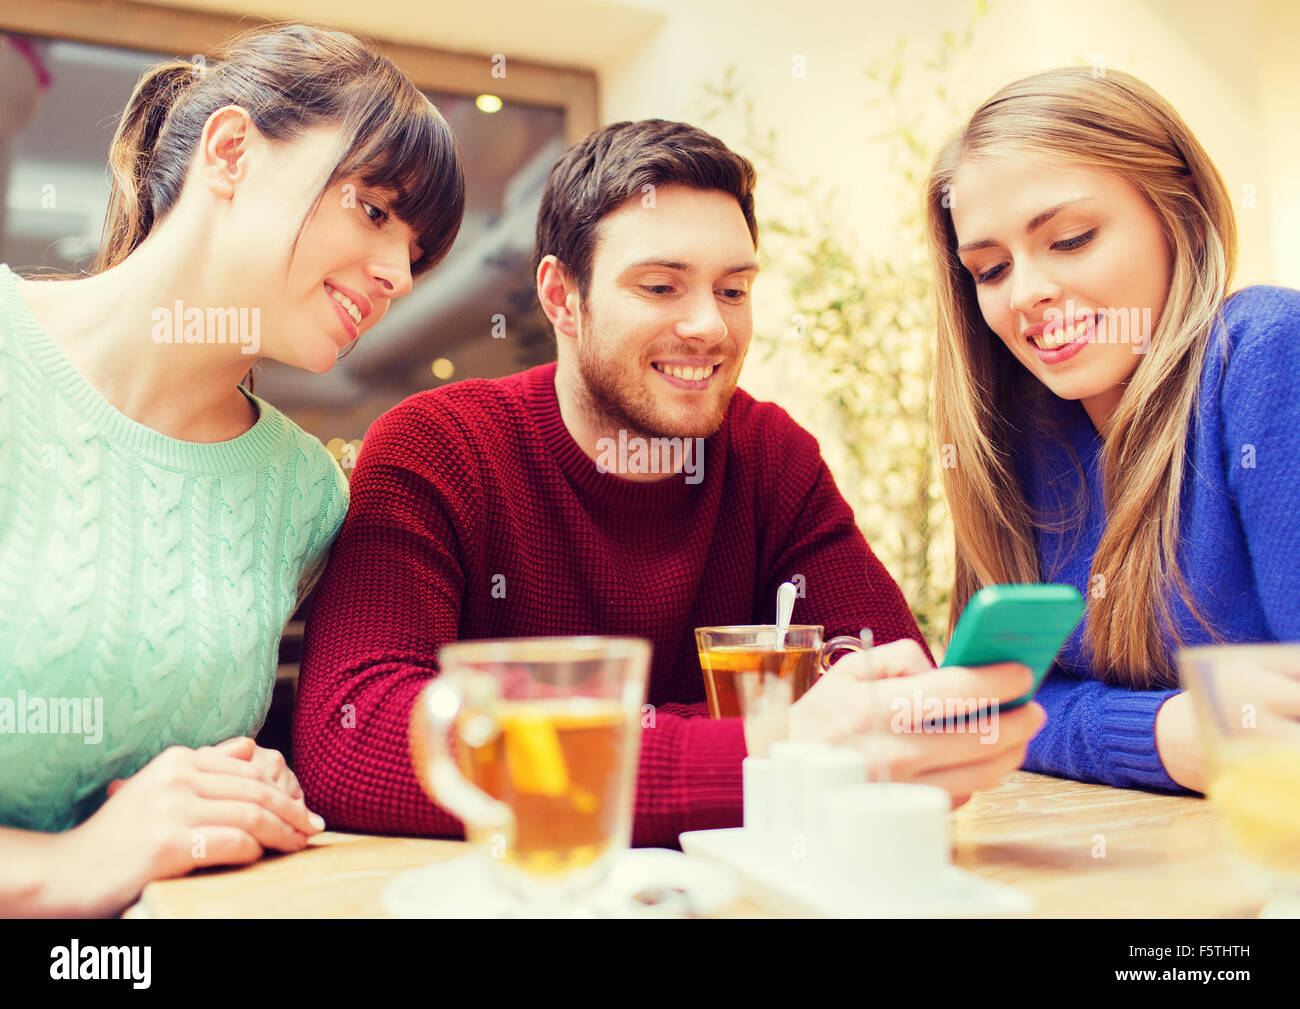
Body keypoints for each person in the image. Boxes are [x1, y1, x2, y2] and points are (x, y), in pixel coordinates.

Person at [293, 118, 1043, 847]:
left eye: (733, 290)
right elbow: (358, 732)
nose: (710, 328)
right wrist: (764, 749)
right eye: (660, 286)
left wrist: (846, 728)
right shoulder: (439, 448)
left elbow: (883, 685)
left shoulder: (770, 456)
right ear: (561, 297)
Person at [0, 23, 465, 915]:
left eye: (417, 250)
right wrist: (73, 863)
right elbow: (111, 842)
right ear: (231, 149)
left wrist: (242, 791)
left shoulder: (301, 491)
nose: (402, 275)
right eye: (374, 208)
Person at [926, 67, 1300, 796]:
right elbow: (981, 705)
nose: (1026, 293)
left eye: (1070, 239)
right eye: (992, 268)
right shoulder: (1020, 435)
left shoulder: (1264, 352)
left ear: (1179, 211)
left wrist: (1100, 724)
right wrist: (1163, 734)